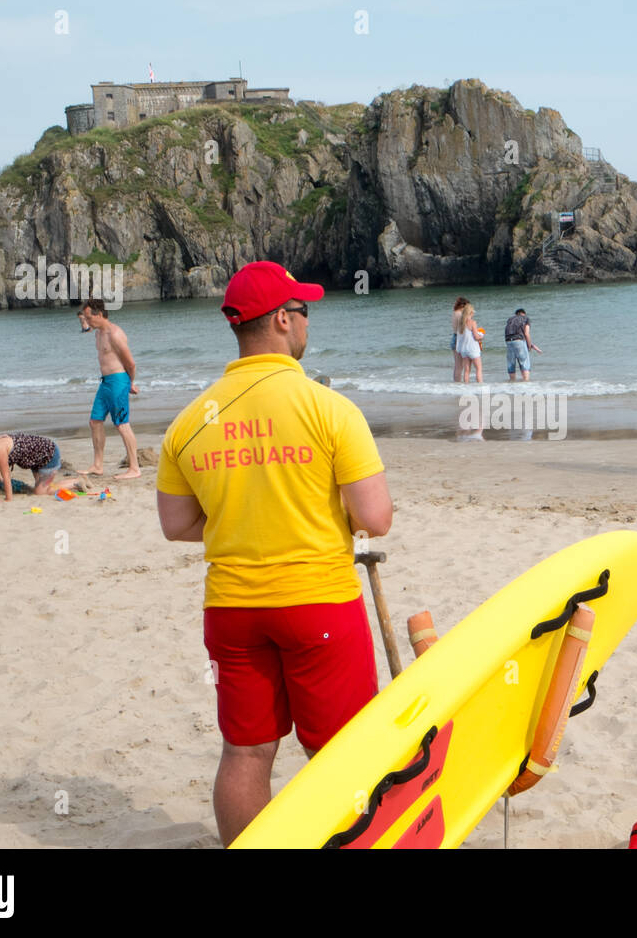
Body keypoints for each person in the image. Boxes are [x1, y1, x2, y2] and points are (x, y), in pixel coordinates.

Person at [155, 260, 392, 847]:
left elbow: (177, 524)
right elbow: (375, 518)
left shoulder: (190, 420)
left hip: (233, 611)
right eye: (304, 311)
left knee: (246, 749)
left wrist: (243, 517)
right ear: (283, 320)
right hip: (318, 605)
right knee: (339, 751)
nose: (309, 323)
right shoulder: (329, 409)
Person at [78, 299, 141, 479]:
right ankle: (98, 465)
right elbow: (86, 326)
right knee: (95, 421)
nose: (88, 322)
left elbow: (131, 363)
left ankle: (135, 468)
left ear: (99, 315)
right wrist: (83, 320)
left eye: (90, 318)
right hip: (105, 382)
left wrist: (130, 383)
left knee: (122, 424)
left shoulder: (115, 334)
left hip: (118, 381)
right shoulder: (98, 332)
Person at [0, 431, 88, 500]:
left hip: (48, 455)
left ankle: (76, 481)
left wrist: (8, 498)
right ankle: (74, 482)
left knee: (40, 492)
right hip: (35, 461)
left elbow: (6, 475)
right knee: (43, 488)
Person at [504, 308, 542, 381]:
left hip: (508, 342)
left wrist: (531, 345)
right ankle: (526, 383)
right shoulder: (525, 318)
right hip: (519, 341)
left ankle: (512, 383)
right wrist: (529, 347)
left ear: (516, 314)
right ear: (524, 313)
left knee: (511, 364)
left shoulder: (510, 319)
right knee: (524, 363)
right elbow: (526, 334)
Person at [455, 301, 483, 383]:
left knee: (466, 371)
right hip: (472, 349)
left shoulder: (460, 324)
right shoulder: (472, 323)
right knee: (478, 369)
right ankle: (480, 386)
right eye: (473, 313)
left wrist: (459, 350)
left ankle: (466, 388)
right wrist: (481, 337)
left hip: (464, 350)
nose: (473, 314)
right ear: (470, 313)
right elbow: (476, 336)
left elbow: (459, 338)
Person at [450, 298, 468, 382]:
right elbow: (462, 328)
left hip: (454, 337)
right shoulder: (459, 314)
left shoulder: (454, 313)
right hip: (458, 338)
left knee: (457, 365)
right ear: (462, 306)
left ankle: (456, 383)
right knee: (459, 366)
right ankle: (458, 384)